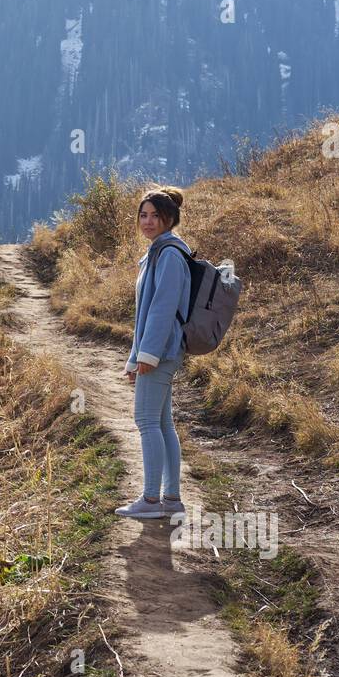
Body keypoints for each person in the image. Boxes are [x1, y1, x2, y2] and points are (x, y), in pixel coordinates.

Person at [115, 187, 191, 520]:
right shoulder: (160, 252)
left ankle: (150, 501)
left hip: (160, 352)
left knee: (146, 421)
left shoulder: (170, 255)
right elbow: (149, 311)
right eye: (143, 215)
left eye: (155, 215)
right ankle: (171, 498)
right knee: (162, 423)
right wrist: (138, 356)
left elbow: (161, 309)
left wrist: (147, 356)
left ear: (170, 219)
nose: (147, 221)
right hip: (158, 351)